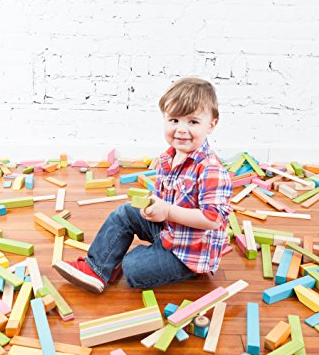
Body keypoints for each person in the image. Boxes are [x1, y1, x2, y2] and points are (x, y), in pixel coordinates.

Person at [54, 77, 232, 293]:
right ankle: (97, 269)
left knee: (132, 268)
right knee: (126, 213)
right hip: (169, 230)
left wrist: (166, 211)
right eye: (174, 120)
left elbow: (213, 219)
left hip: (190, 253)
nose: (182, 129)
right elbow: (162, 199)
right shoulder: (168, 158)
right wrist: (152, 206)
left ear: (211, 125)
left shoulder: (210, 169)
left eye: (192, 122)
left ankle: (125, 261)